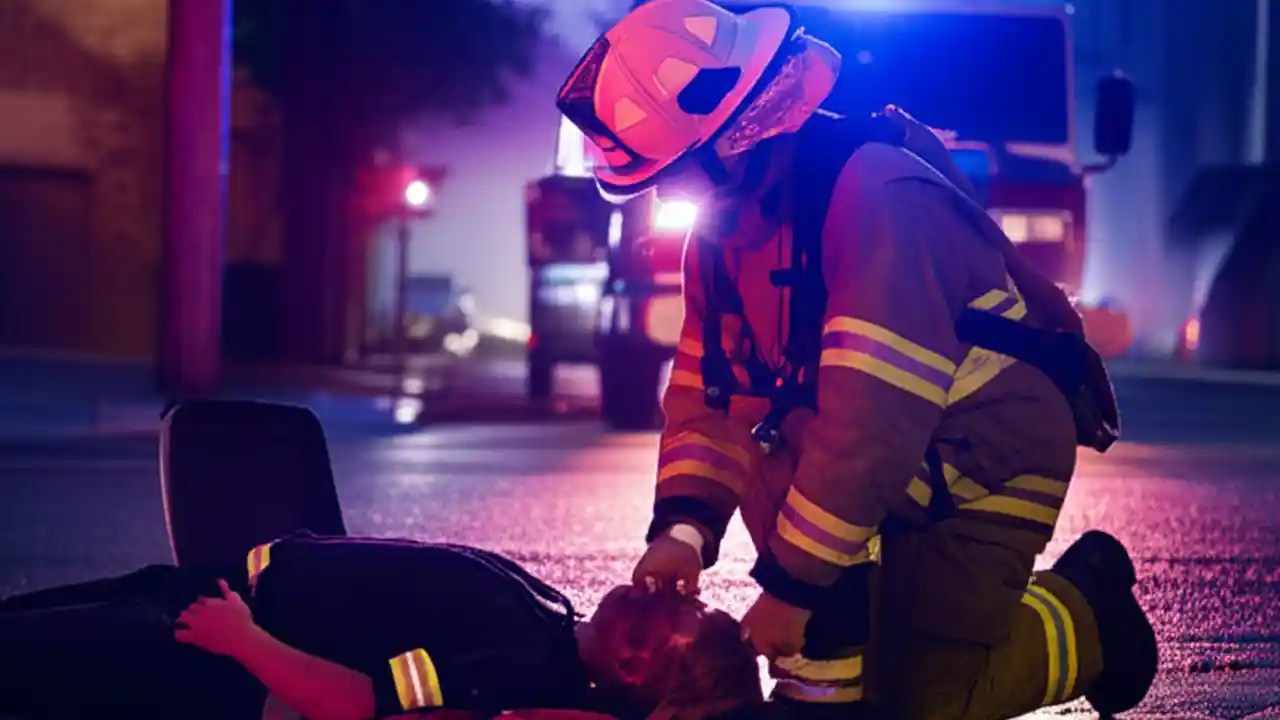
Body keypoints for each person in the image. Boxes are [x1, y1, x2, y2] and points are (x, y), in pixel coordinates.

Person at [556, 1, 1157, 718]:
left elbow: (871, 425)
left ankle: (1090, 611)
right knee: (787, 475)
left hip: (987, 456)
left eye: (676, 175)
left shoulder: (880, 202)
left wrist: (790, 592)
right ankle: (824, 695)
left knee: (927, 699)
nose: (668, 196)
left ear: (734, 142)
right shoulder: (725, 237)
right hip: (891, 467)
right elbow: (711, 401)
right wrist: (684, 533)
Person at [0, 532, 761, 720]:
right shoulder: (554, 616)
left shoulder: (523, 665)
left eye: (674, 614)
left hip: (211, 647)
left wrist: (243, 640)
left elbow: (367, 700)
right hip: (203, 592)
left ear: (633, 671)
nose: (664, 591)